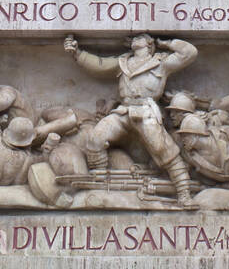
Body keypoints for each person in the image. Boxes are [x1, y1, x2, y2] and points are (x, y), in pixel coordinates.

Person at [64, 34, 198, 204]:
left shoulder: (161, 62)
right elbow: (100, 64)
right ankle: (99, 181)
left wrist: (168, 43)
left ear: (149, 44)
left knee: (164, 149)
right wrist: (77, 53)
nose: (135, 38)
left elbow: (190, 53)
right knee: (95, 138)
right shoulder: (123, 61)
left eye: (140, 37)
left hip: (146, 111)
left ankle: (184, 193)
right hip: (123, 111)